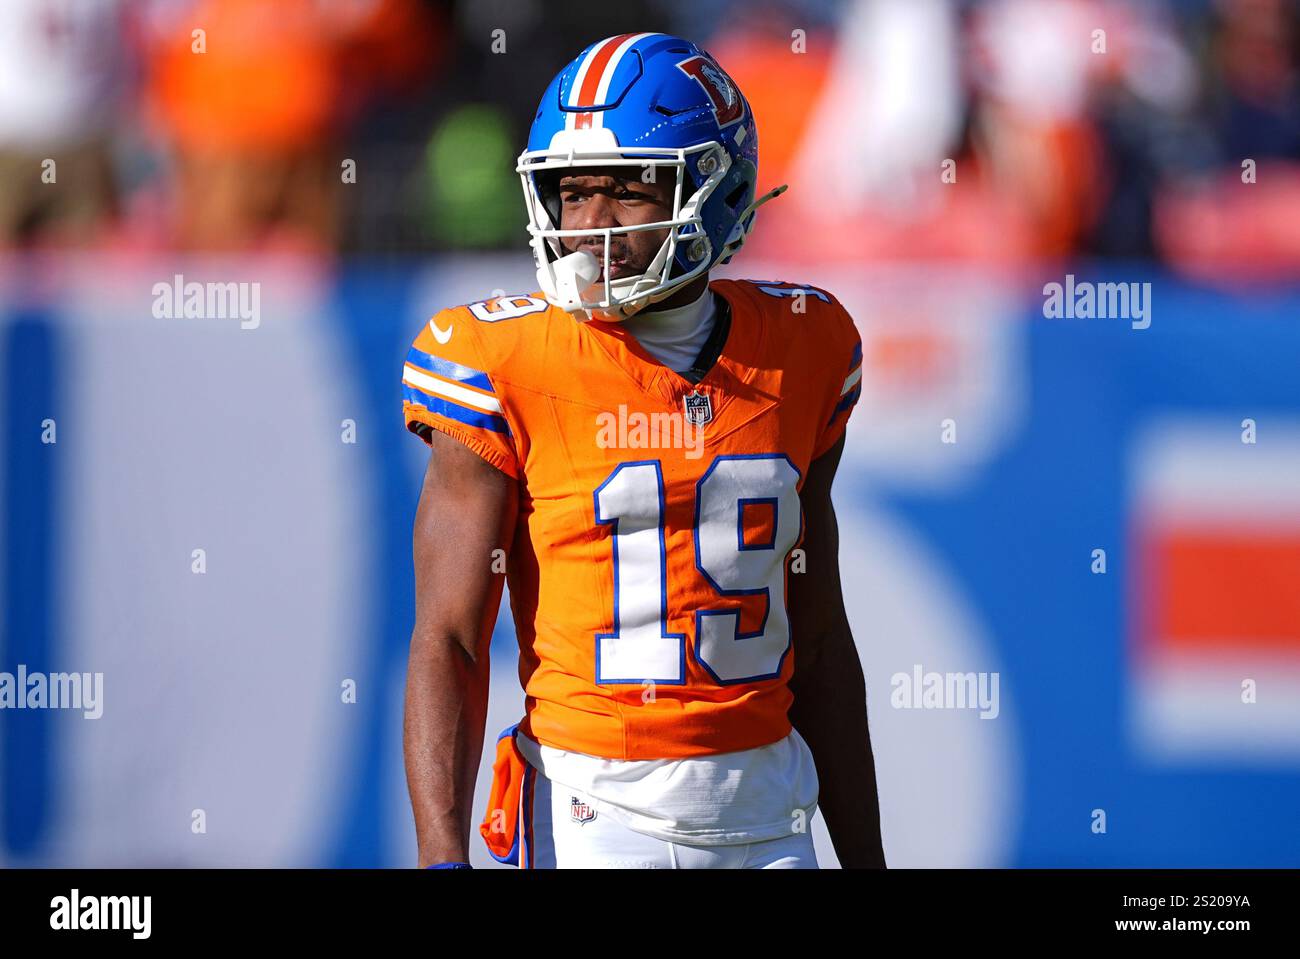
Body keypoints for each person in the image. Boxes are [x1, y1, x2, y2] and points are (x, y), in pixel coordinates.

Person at [402, 32, 885, 869]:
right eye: (572, 192)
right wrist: (443, 856)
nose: (590, 225)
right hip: (590, 814)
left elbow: (820, 632)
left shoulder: (804, 345)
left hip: (771, 813)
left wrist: (867, 856)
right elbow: (450, 637)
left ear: (717, 184)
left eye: (627, 190)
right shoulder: (495, 361)